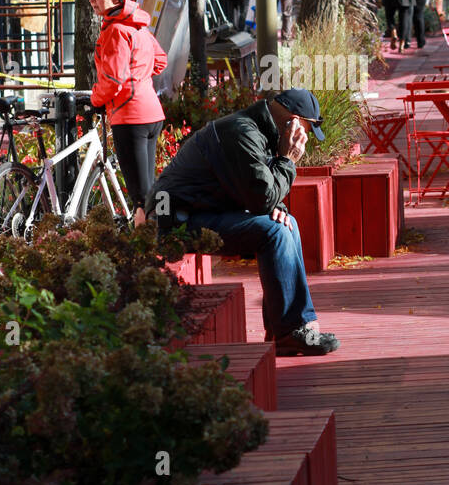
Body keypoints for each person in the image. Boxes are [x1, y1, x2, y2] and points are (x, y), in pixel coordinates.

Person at [146, 88, 340, 356]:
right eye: (306, 129)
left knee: (285, 223)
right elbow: (261, 197)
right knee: (275, 232)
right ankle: (290, 330)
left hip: (201, 211)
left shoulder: (258, 130)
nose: (305, 139)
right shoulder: (242, 132)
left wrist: (278, 205)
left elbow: (254, 186)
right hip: (174, 222)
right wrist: (287, 159)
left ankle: (288, 328)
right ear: (292, 122)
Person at [89, 0, 168, 228]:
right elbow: (160, 60)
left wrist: (95, 100)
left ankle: (147, 252)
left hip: (129, 117)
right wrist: (140, 77)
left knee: (139, 196)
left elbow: (112, 80)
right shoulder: (138, 27)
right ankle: (159, 241)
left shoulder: (115, 31)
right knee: (148, 189)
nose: (91, 0)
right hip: (152, 114)